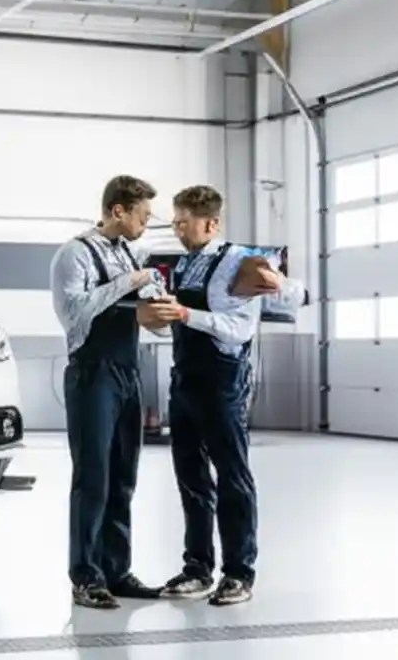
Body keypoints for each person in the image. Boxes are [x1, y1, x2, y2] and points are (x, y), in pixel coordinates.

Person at [138, 185, 306, 607]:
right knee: (191, 477)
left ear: (210, 223)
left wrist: (186, 313)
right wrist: (161, 318)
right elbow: (176, 321)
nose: (176, 228)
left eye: (183, 221)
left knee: (232, 478)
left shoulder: (241, 262)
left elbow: (240, 328)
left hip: (224, 382)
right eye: (174, 220)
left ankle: (238, 573)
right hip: (185, 381)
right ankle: (197, 569)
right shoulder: (182, 266)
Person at [49, 175, 169, 609]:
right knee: (93, 478)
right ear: (117, 210)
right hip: (92, 373)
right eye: (142, 215)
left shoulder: (126, 255)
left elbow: (143, 318)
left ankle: (116, 571)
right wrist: (128, 283)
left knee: (123, 478)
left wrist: (162, 312)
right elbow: (74, 314)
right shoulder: (73, 254)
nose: (146, 225)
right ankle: (86, 576)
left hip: (127, 372)